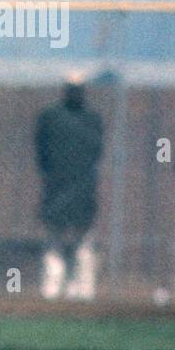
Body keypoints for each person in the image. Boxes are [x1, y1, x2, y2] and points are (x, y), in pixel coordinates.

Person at [35, 76, 103, 301]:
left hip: (79, 190)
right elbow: (42, 152)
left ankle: (81, 293)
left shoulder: (92, 119)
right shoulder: (51, 118)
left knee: (81, 245)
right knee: (56, 243)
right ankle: (54, 292)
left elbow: (96, 153)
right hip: (60, 189)